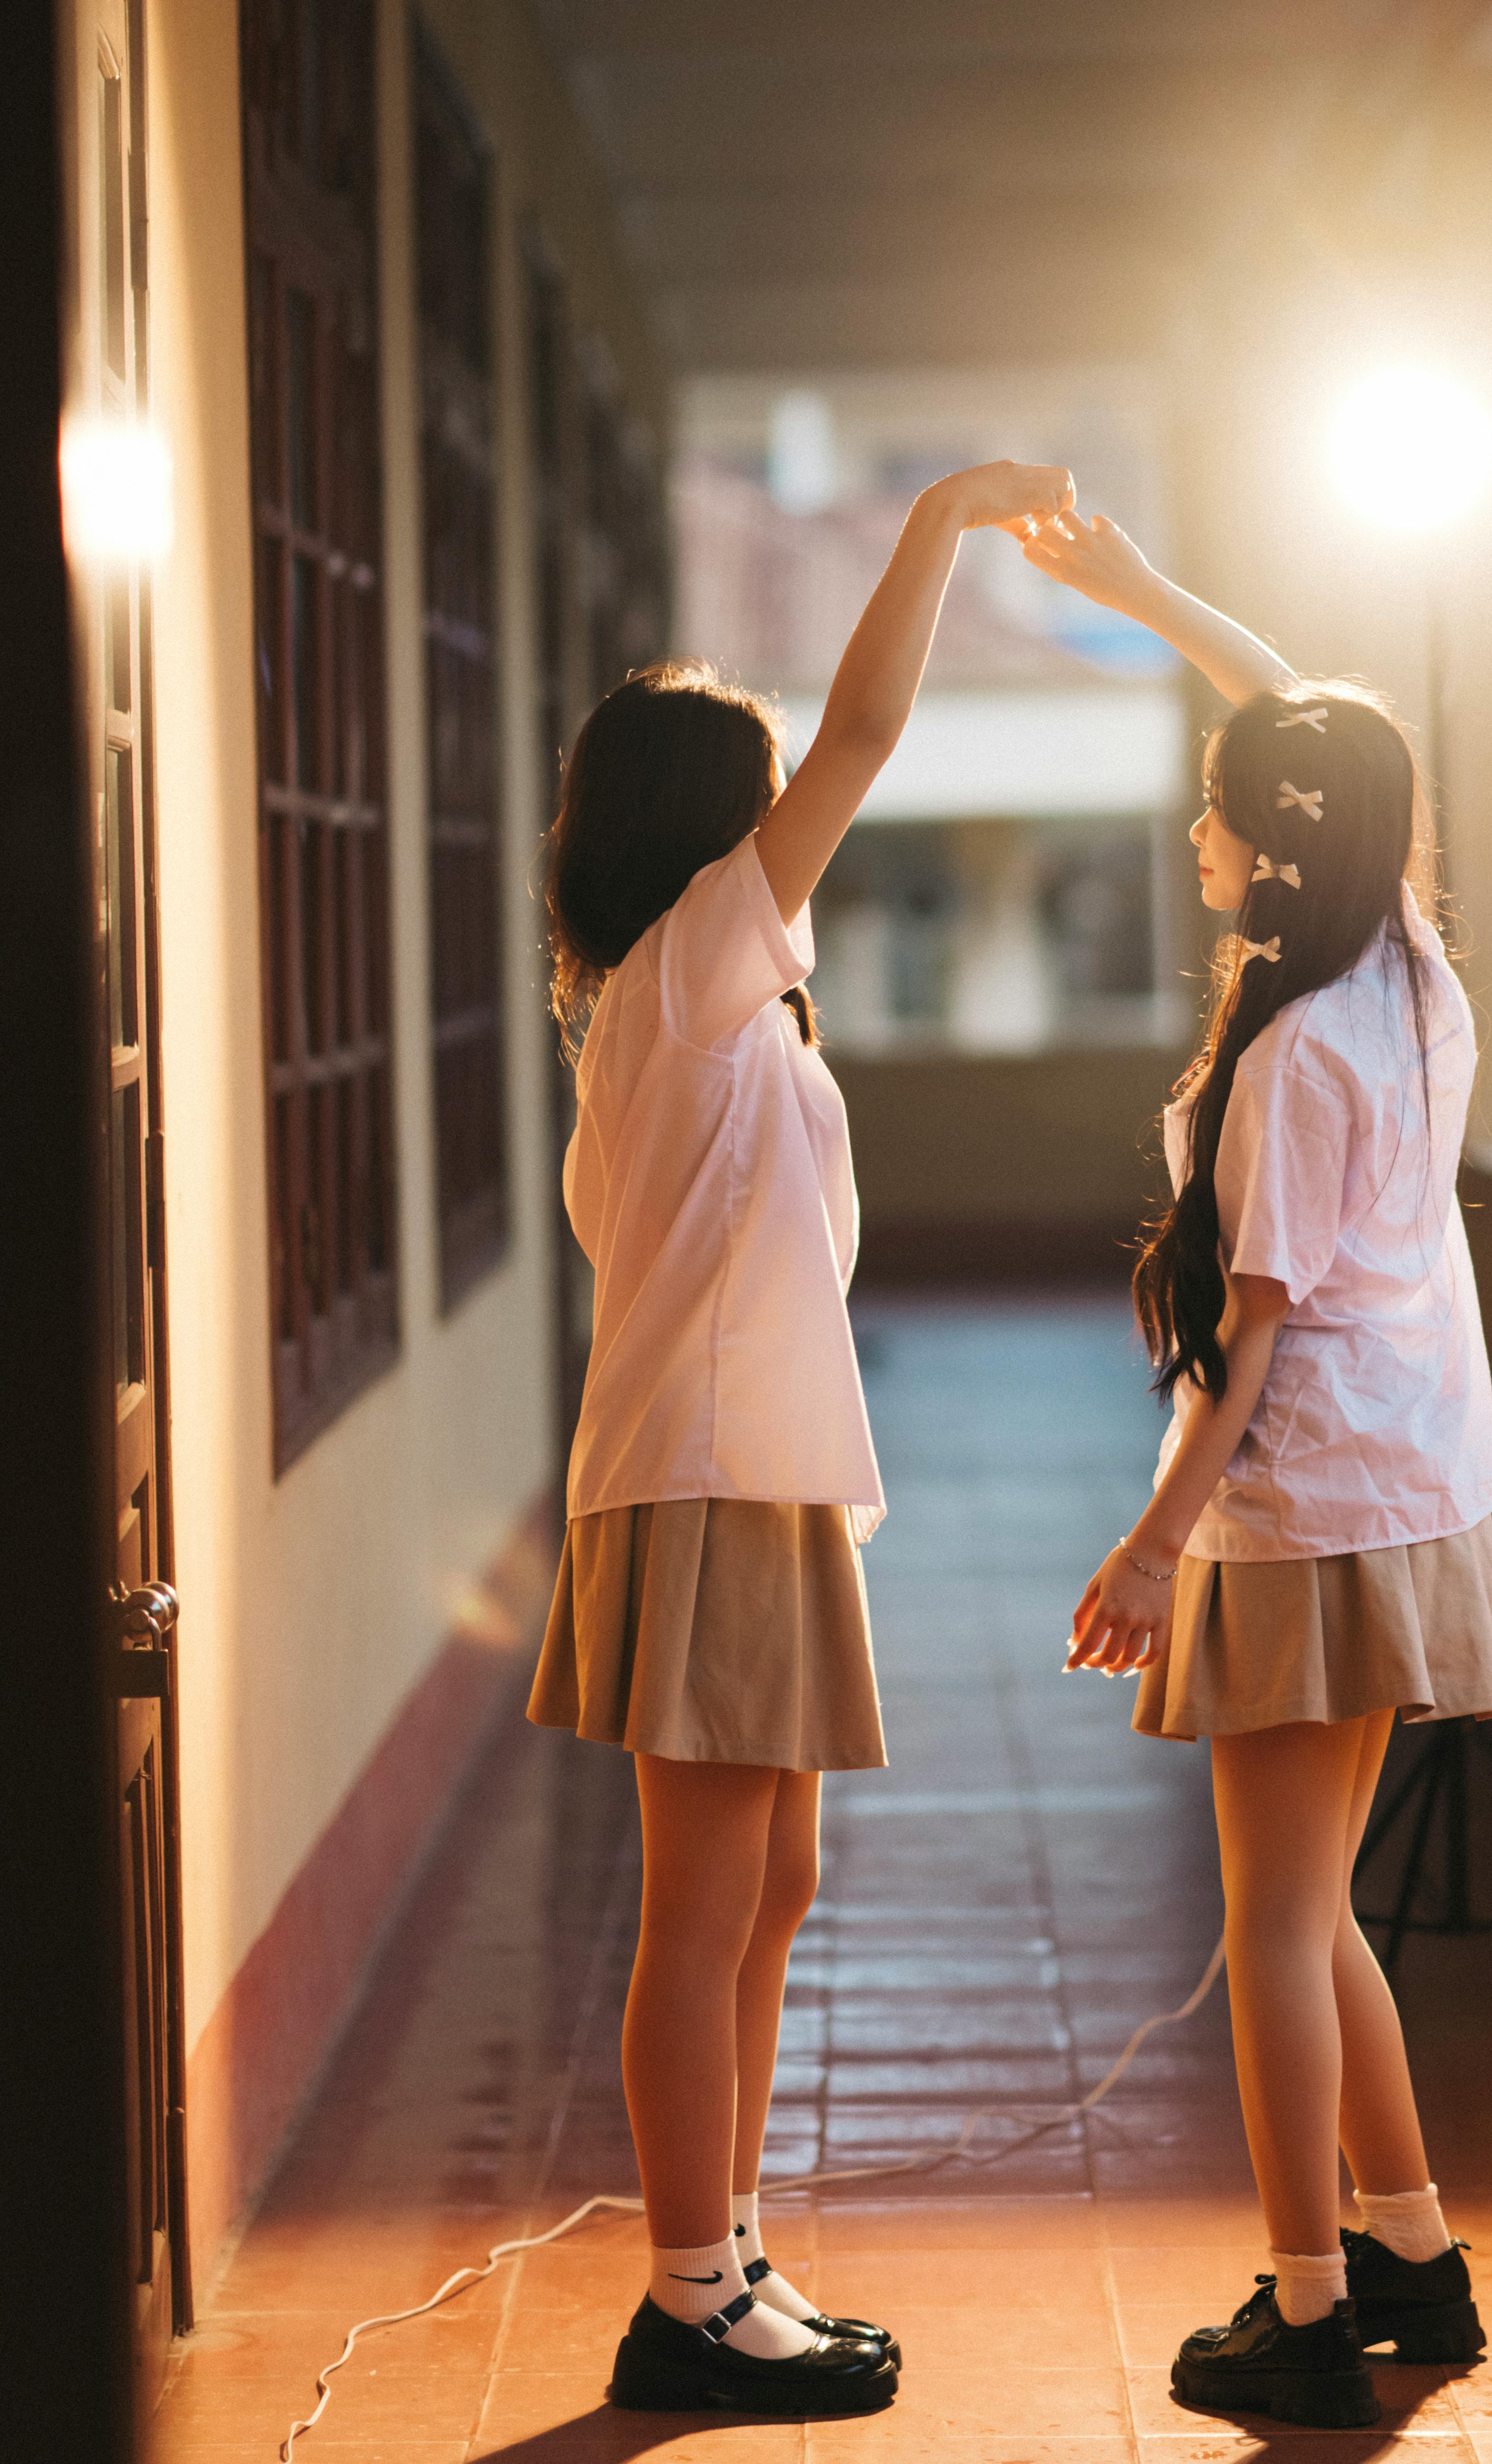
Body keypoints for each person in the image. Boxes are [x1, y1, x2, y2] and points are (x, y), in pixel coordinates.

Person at [529, 456, 1073, 2420]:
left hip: (750, 1479)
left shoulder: (695, 1004)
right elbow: (867, 726)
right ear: (713, 827)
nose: (796, 822)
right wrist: (936, 519)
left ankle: (726, 2254)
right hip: (704, 1482)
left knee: (771, 1891)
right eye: (760, 801)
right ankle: (688, 2294)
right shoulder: (692, 967)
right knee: (706, 1900)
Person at [1026, 508, 1492, 2434]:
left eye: (1217, 812)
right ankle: (1410, 2256)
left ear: (1276, 840)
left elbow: (1246, 1337)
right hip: (1403, 1496)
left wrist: (1154, 1545)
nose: (1194, 834)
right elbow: (1323, 733)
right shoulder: (1410, 980)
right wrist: (1150, 601)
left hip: (1303, 1511)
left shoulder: (1298, 1043)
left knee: (1270, 1927)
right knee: (1311, 1912)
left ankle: (1309, 2306)